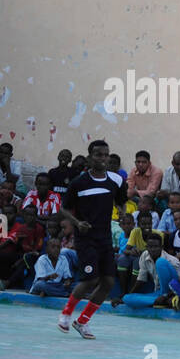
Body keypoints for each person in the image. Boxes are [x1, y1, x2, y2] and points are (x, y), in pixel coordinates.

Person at [55, 140, 127, 338]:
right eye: (98, 154)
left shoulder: (115, 181)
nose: (102, 158)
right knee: (91, 279)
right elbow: (63, 208)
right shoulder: (79, 182)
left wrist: (121, 212)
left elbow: (121, 201)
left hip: (105, 238)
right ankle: (66, 314)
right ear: (89, 157)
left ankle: (83, 322)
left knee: (108, 282)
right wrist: (77, 223)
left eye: (105, 155)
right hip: (85, 238)